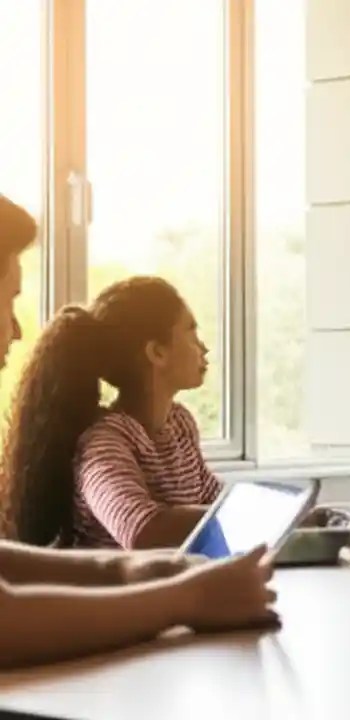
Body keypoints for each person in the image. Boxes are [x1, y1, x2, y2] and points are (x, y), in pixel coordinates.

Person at [0, 195, 277, 669]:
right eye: (9, 299)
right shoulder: (106, 441)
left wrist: (139, 570)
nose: (17, 329)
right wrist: (184, 597)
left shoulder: (180, 426)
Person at [0, 274, 220, 549]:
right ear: (157, 352)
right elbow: (141, 531)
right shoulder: (103, 443)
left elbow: (217, 500)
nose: (203, 348)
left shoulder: (180, 425)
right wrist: (237, 514)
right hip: (114, 591)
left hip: (168, 589)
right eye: (191, 332)